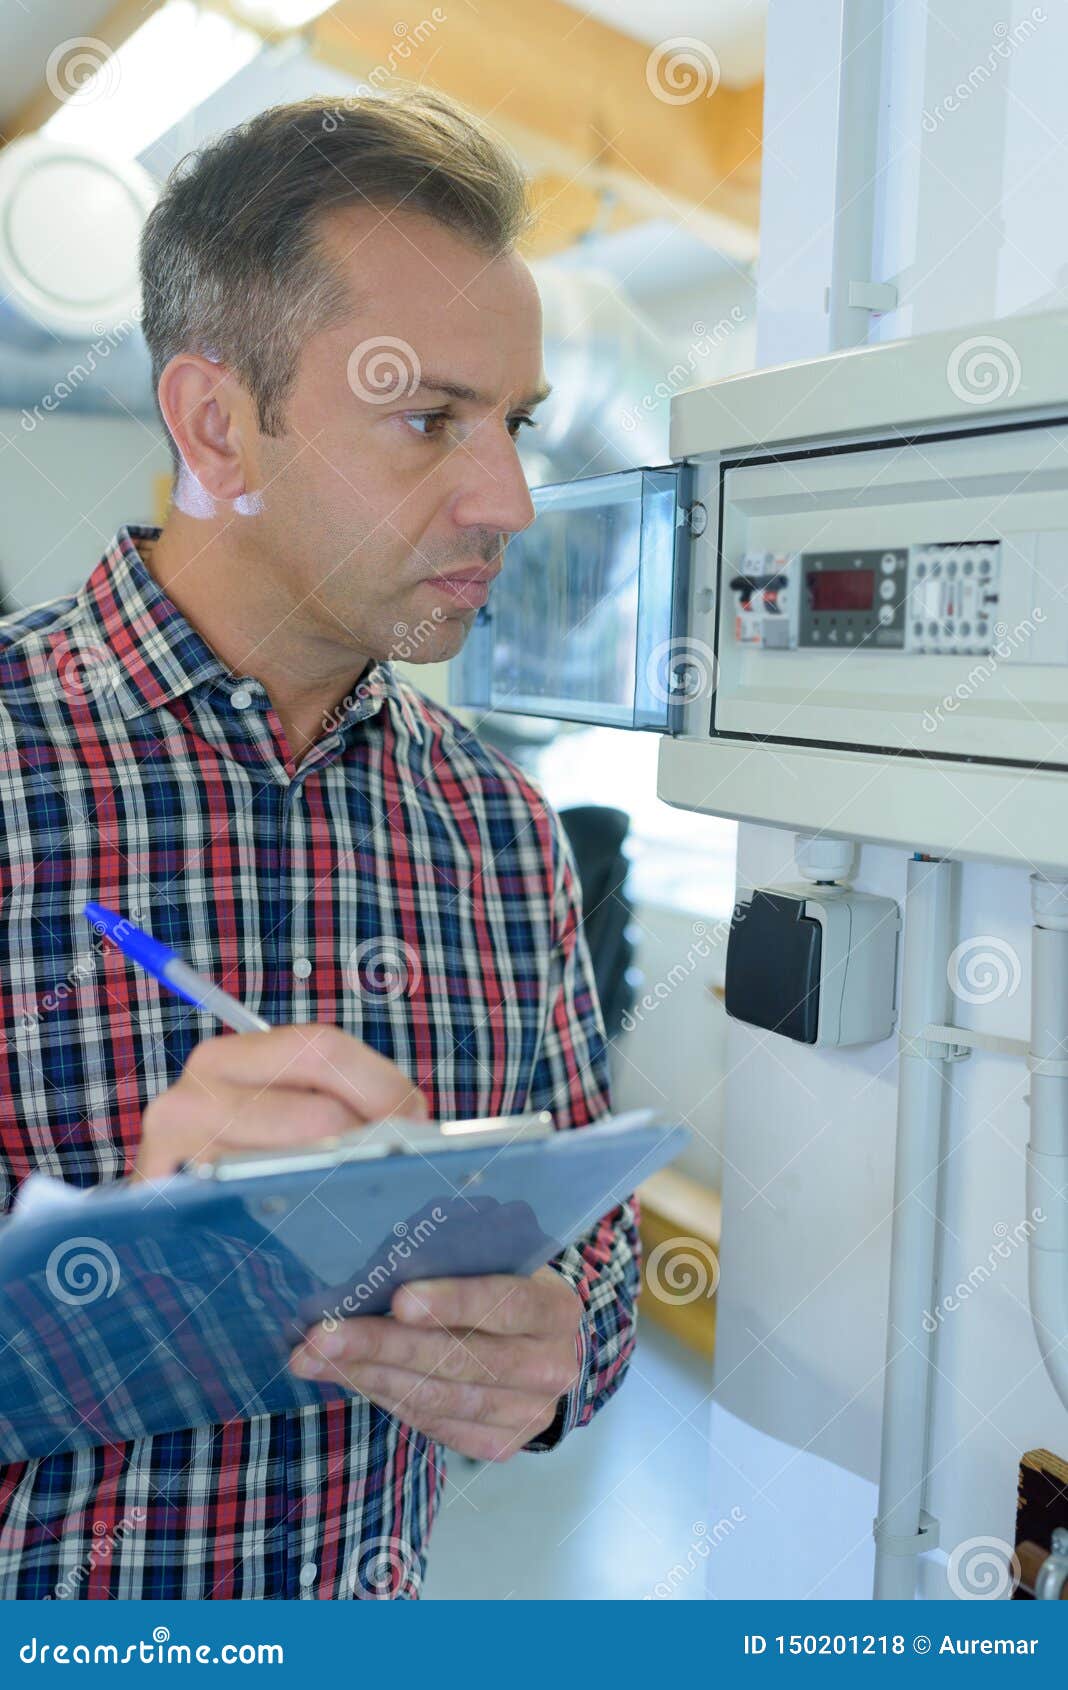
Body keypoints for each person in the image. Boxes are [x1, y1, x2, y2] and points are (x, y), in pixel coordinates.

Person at [0, 90, 640, 1600]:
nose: (509, 499)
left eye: (515, 424)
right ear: (220, 425)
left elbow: (593, 1252)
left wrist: (554, 1354)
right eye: (428, 418)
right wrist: (117, 1268)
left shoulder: (500, 830)